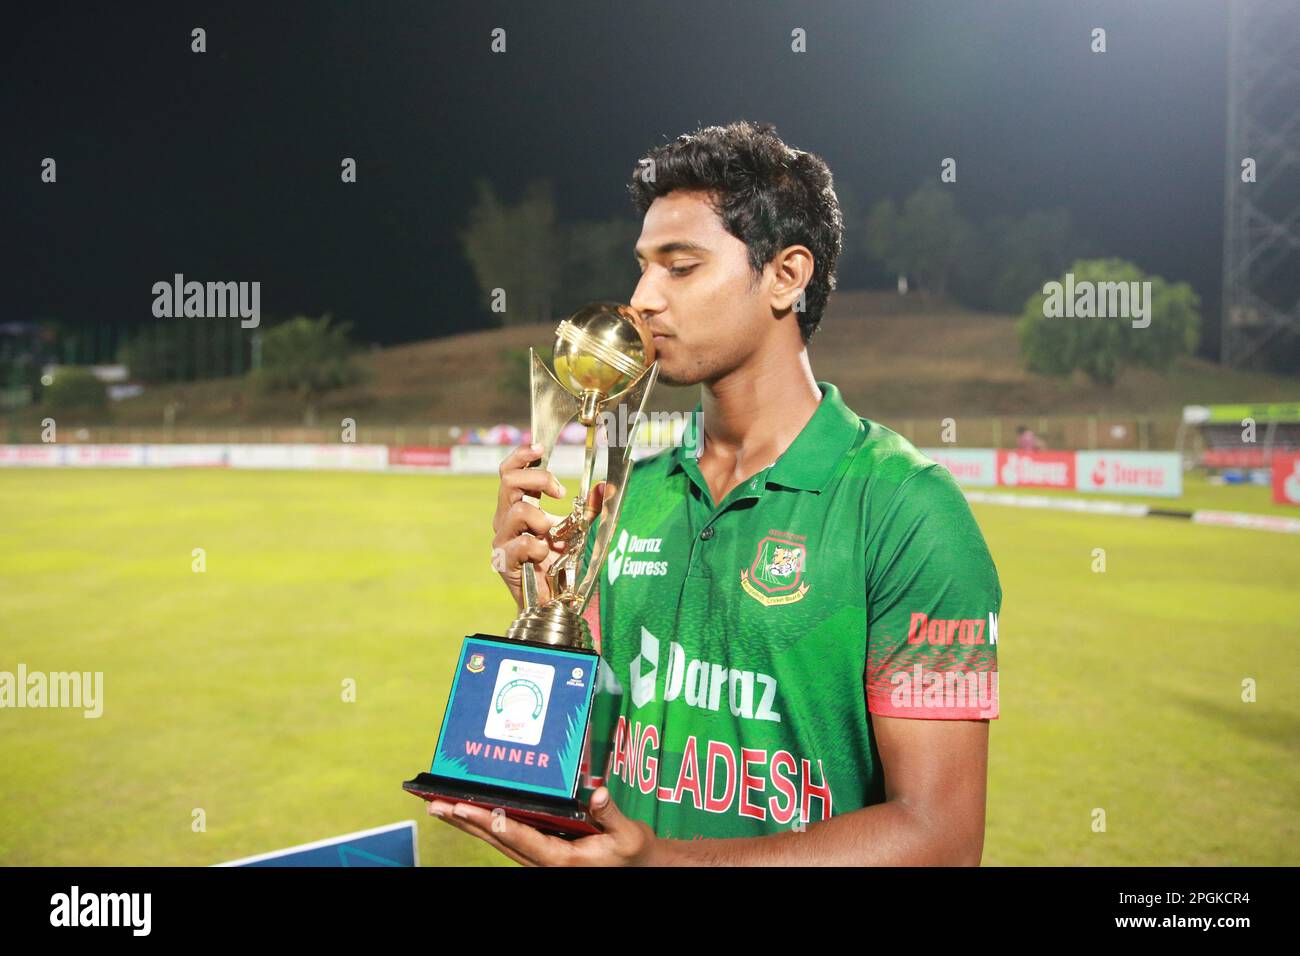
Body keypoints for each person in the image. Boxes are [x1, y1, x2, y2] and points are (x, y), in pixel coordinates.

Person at [430, 120, 1001, 865]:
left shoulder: (907, 509)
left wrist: (658, 865)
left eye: (680, 267)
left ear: (786, 277)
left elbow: (941, 838)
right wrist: (540, 605)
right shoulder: (628, 493)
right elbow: (588, 748)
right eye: (642, 267)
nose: (642, 300)